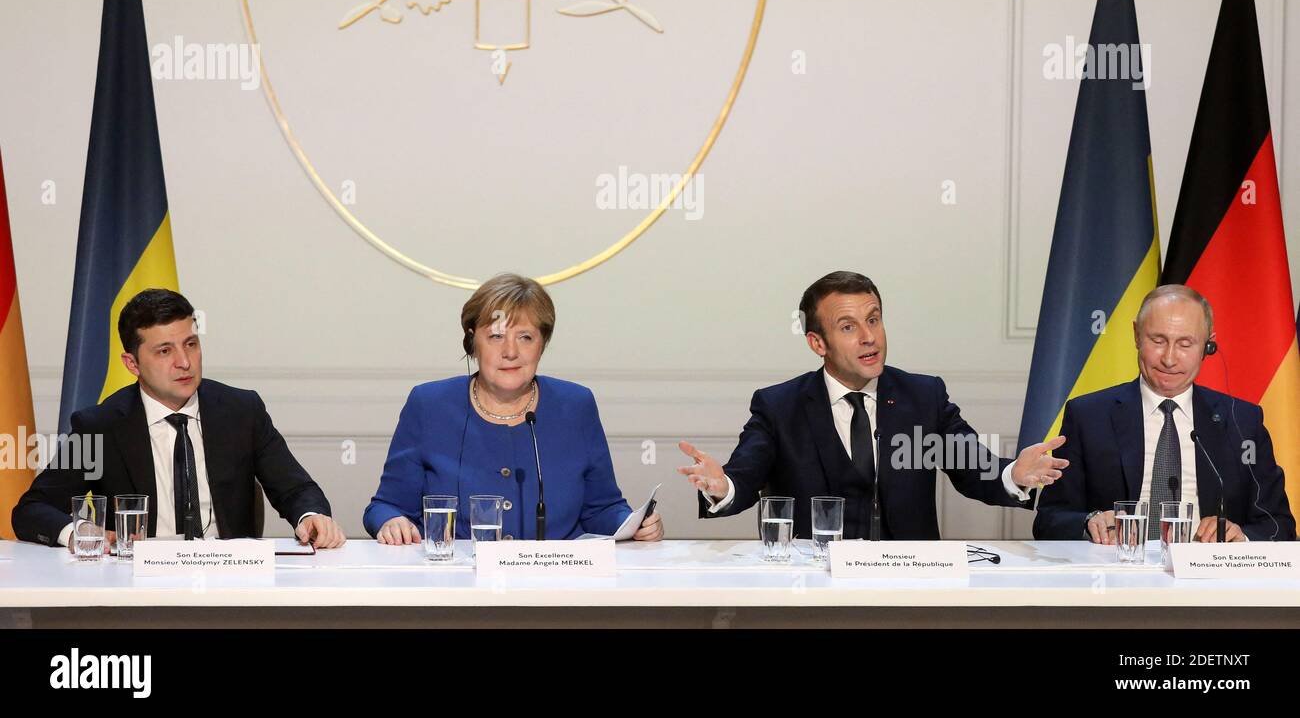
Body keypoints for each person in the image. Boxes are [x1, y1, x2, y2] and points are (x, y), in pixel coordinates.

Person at [678, 271, 1067, 539]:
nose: (869, 337)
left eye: (874, 319)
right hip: (813, 596)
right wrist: (722, 485)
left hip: (909, 593)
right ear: (818, 343)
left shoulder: (923, 397)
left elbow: (975, 469)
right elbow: (743, 478)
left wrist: (1015, 472)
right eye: (848, 327)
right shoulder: (780, 406)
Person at [13, 288, 344, 549]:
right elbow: (31, 510)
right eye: (164, 351)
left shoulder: (241, 411)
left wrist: (311, 516)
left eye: (191, 344)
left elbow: (295, 488)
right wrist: (79, 530)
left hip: (228, 584)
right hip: (136, 588)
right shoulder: (100, 427)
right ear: (132, 364)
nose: (185, 362)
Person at [364, 273, 663, 543]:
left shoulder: (575, 405)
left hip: (555, 586)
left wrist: (633, 524)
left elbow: (602, 508)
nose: (510, 352)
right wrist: (391, 521)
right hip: (459, 585)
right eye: (496, 336)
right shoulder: (430, 405)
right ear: (472, 341)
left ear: (542, 344)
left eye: (525, 337)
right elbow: (385, 506)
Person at [1034, 284, 1295, 543]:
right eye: (1158, 341)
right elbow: (1049, 519)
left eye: (1185, 344)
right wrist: (1089, 521)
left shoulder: (1243, 422)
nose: (1169, 359)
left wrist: (1241, 537)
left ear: (1208, 345)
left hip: (1208, 577)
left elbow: (1278, 525)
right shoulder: (1087, 416)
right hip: (1116, 573)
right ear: (1136, 335)